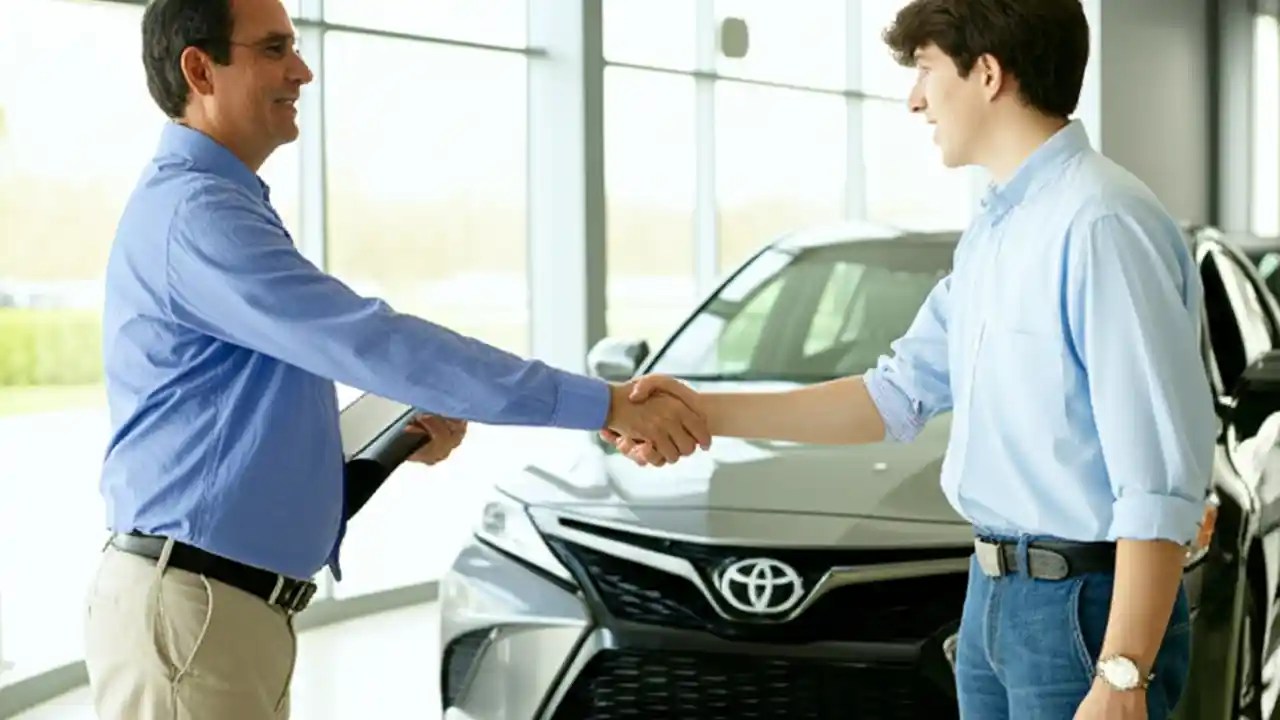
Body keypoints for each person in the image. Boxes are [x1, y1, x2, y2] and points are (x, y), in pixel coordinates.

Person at [84, 0, 707, 718]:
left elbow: (231, 439)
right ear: (201, 68)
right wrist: (604, 405)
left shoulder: (217, 205)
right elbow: (374, 343)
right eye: (274, 49)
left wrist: (386, 447)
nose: (302, 70)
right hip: (196, 618)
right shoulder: (198, 215)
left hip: (222, 613)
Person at [606, 1, 1215, 718]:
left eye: (926, 69)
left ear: (987, 74)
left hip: (1081, 611)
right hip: (993, 595)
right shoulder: (996, 231)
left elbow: (1156, 482)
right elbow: (891, 396)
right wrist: (700, 410)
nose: (915, 98)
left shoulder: (1102, 222)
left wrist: (1123, 672)